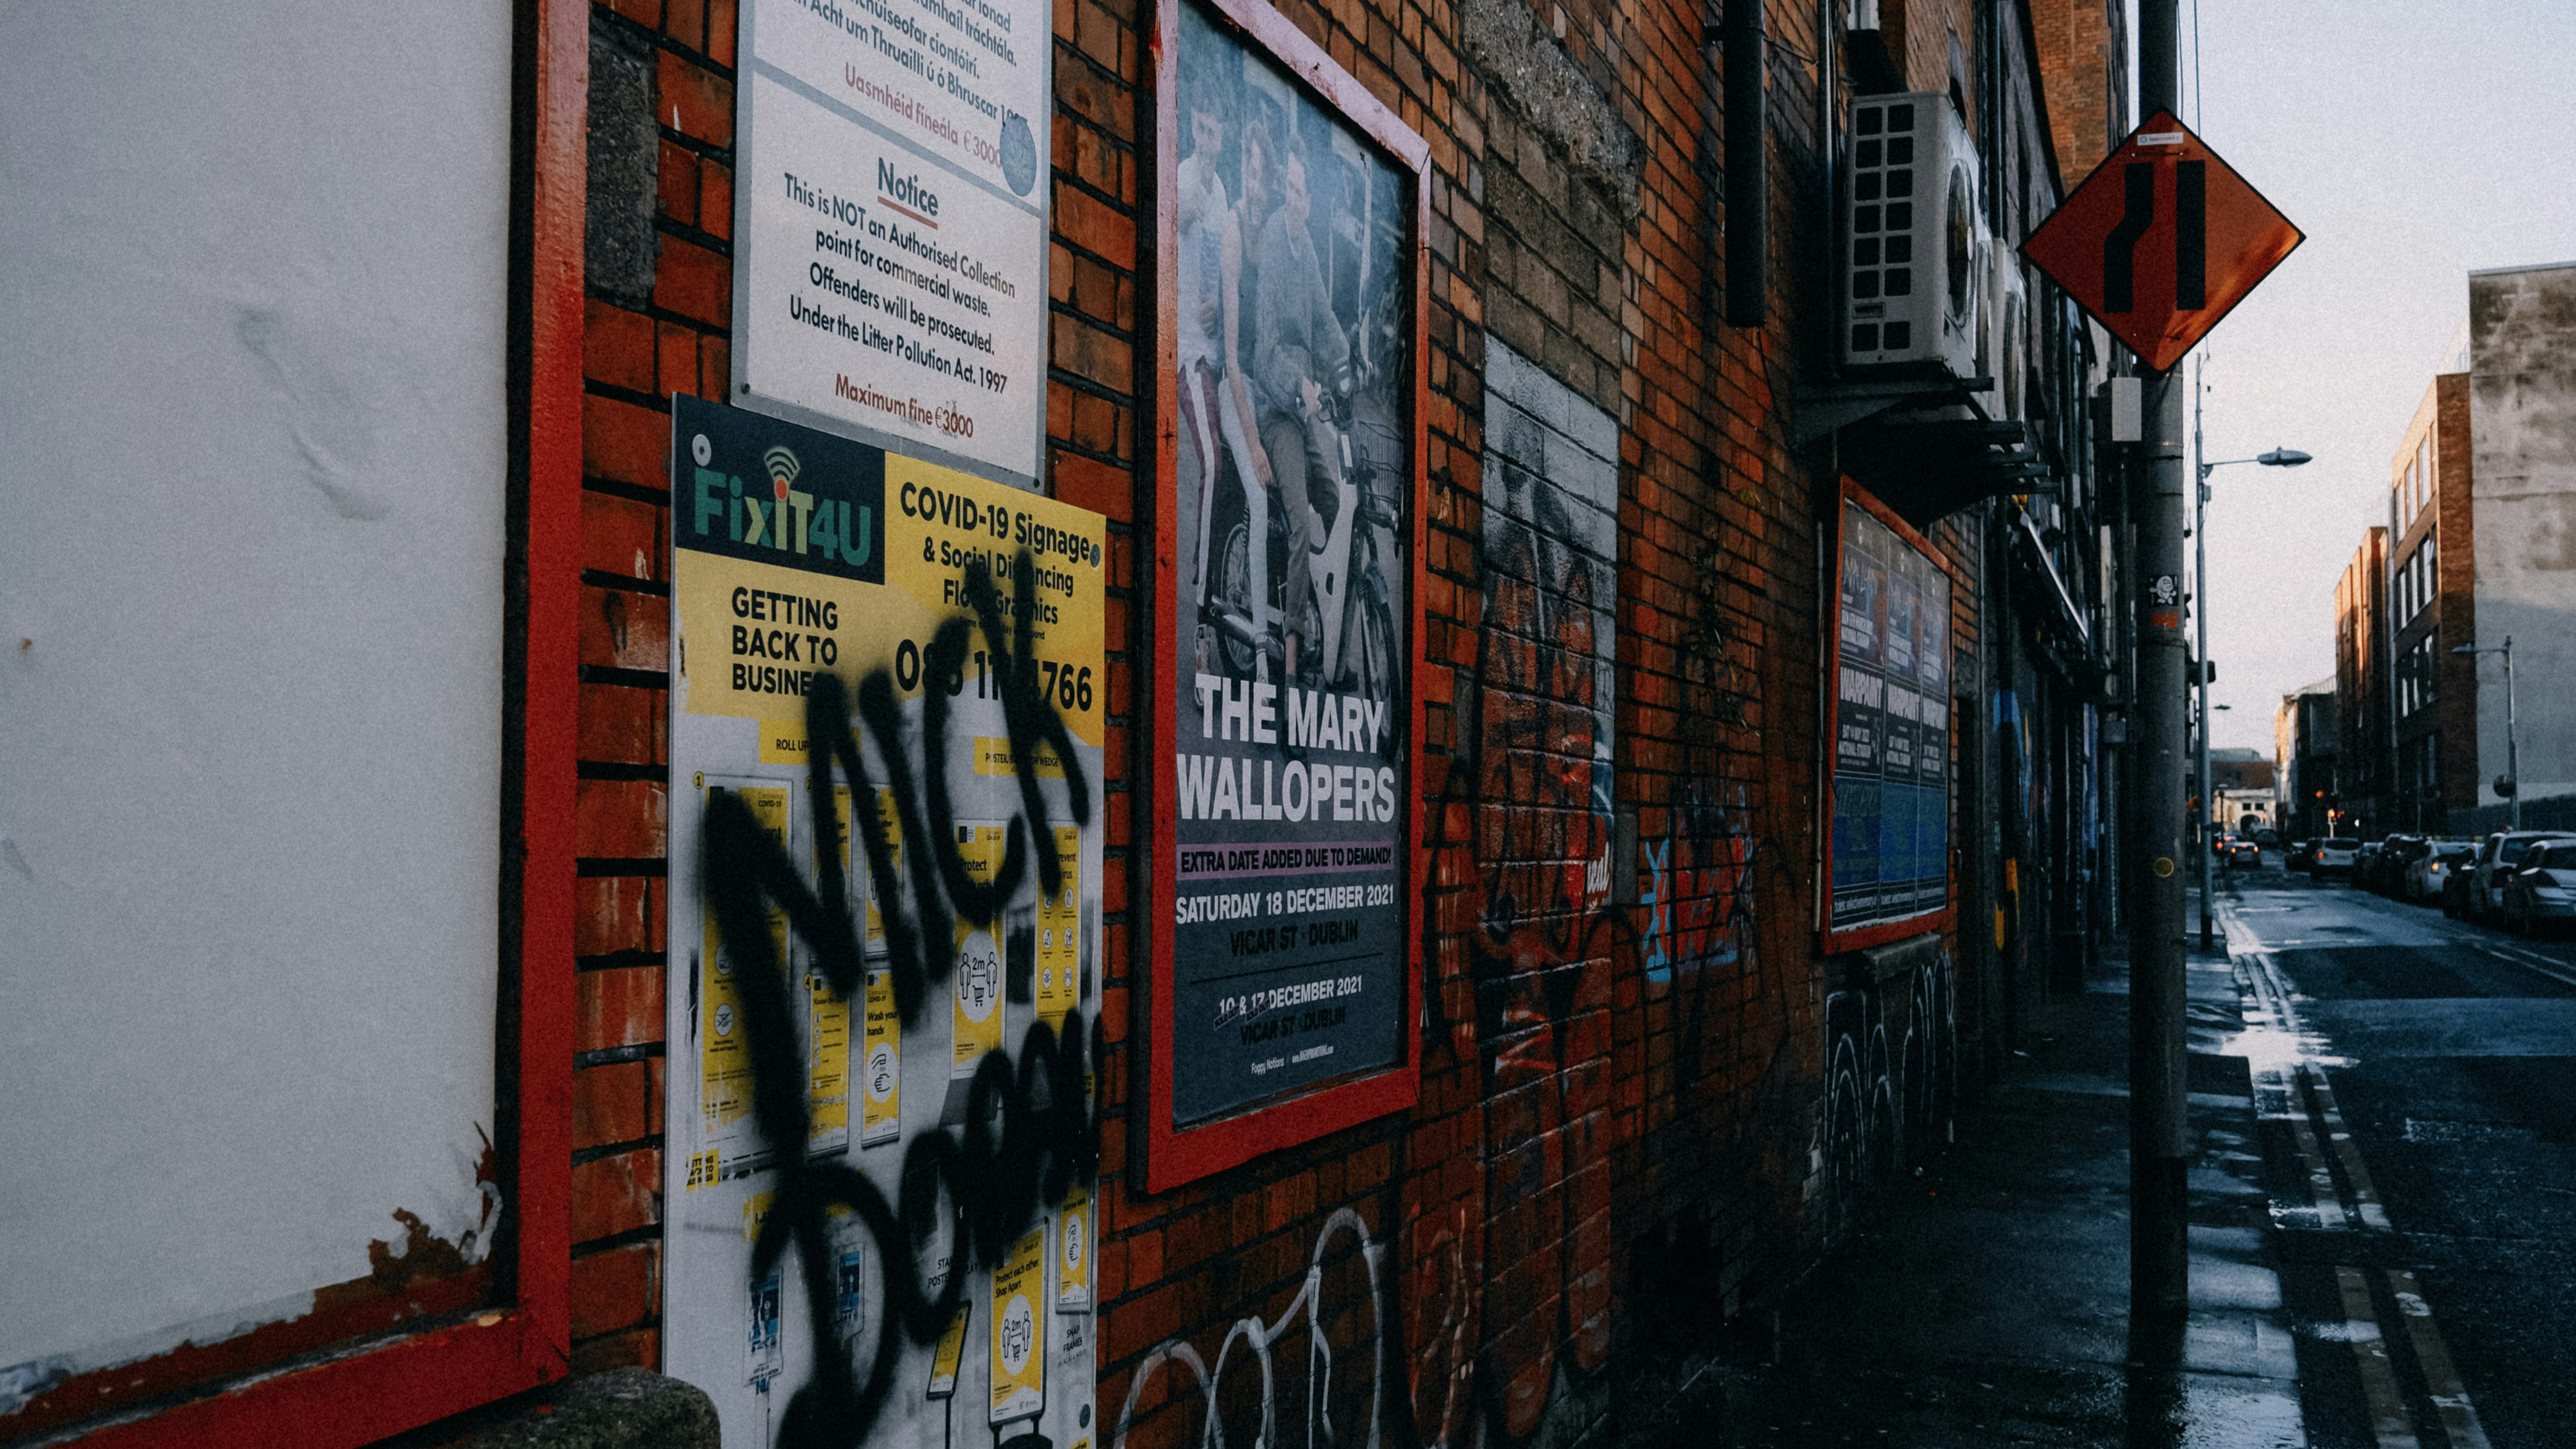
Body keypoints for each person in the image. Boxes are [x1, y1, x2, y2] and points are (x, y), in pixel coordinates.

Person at [1252, 148, 1349, 682]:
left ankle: (1322, 611)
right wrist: (1299, 386)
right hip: (1277, 403)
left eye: (1299, 191)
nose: (1292, 199)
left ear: (1310, 203)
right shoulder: (1272, 240)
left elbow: (1326, 316)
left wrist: (1347, 360)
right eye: (1286, 188)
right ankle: (1290, 663)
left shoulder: (1307, 247)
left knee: (1334, 499)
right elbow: (1266, 347)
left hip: (1307, 400)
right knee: (1296, 518)